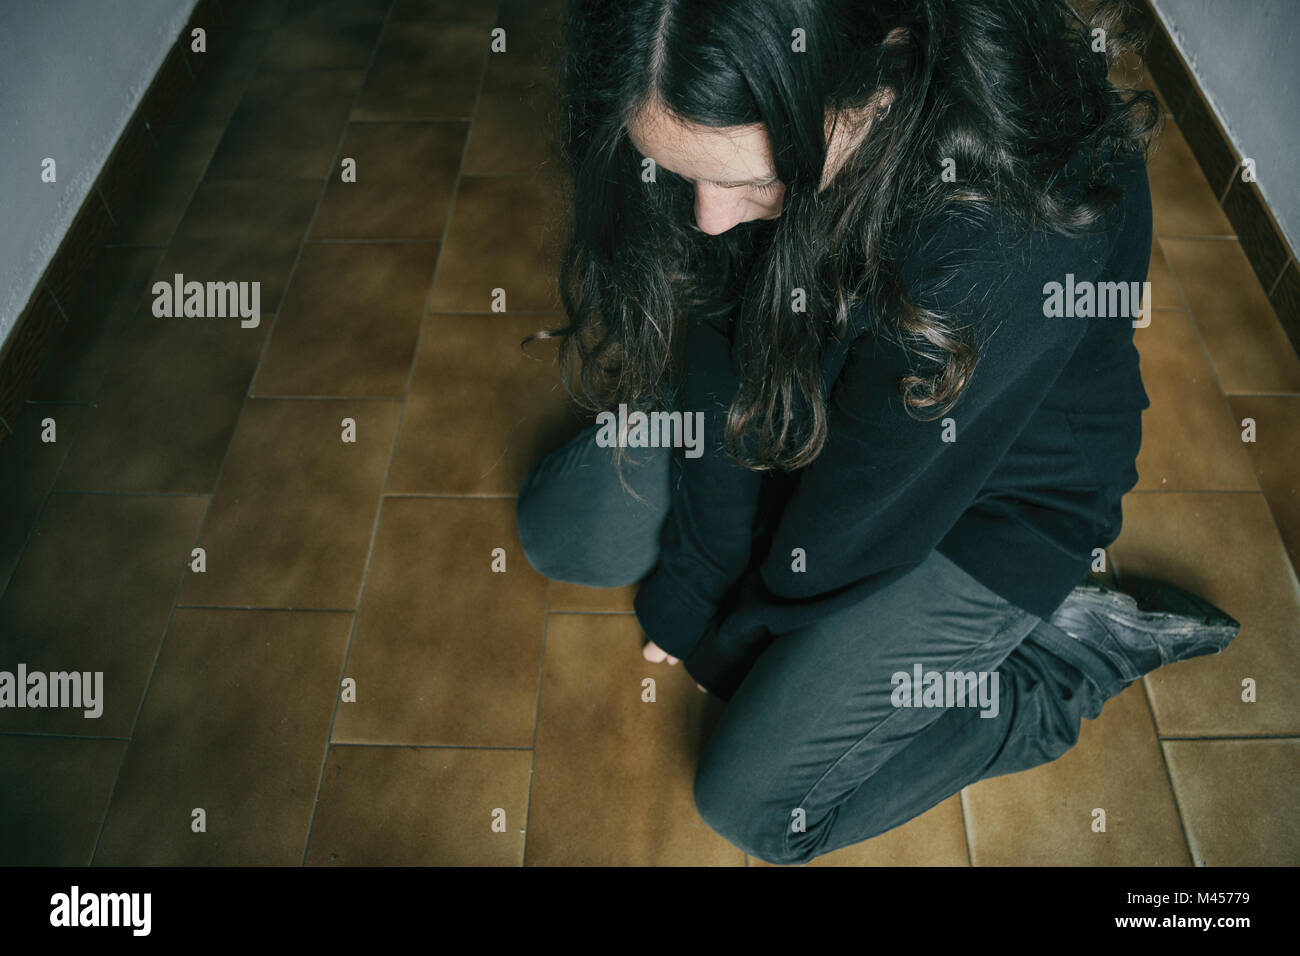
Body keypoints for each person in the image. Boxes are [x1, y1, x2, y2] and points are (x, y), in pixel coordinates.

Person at [515, 0, 1240, 865]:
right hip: (804, 380)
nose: (708, 217)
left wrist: (734, 636)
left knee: (754, 808)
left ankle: (1059, 669)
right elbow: (719, 350)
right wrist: (694, 580)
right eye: (681, 173)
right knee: (559, 532)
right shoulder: (721, 87)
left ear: (875, 80)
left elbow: (858, 525)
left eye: (748, 182)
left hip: (975, 496)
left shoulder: (1006, 228)